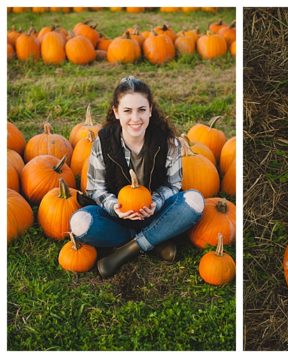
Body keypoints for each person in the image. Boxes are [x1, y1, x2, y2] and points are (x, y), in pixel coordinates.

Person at [69, 76, 205, 278]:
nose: (135, 118)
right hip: (117, 219)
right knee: (79, 222)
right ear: (116, 112)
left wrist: (156, 203)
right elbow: (95, 188)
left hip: (156, 213)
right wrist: (115, 207)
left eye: (141, 110)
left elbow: (173, 185)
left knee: (194, 201)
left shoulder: (168, 142)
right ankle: (156, 239)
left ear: (150, 110)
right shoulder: (103, 142)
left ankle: (127, 250)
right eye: (127, 111)